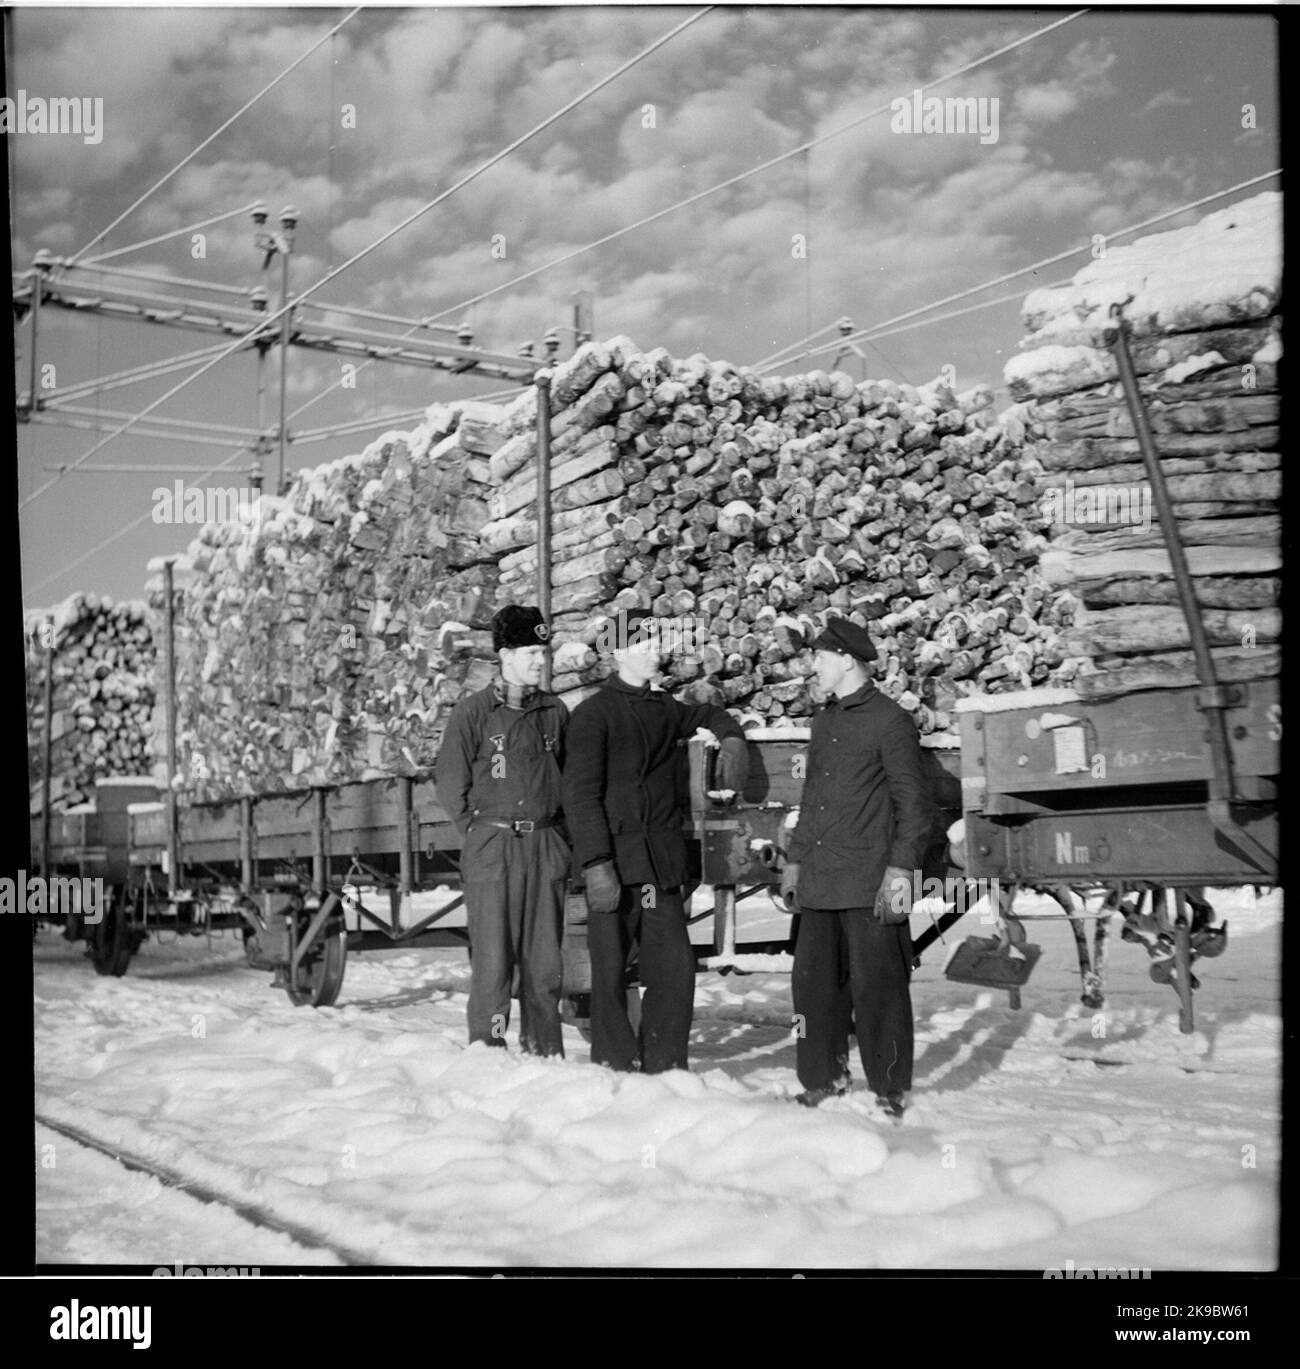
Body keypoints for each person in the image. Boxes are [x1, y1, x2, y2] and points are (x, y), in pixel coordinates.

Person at [562, 609, 748, 1073]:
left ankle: (664, 1065)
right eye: (644, 647)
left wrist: (731, 737)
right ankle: (613, 1065)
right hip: (616, 867)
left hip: (659, 868)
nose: (656, 654)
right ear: (619, 653)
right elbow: (580, 796)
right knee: (608, 975)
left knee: (675, 970)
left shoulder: (664, 708)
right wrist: (597, 863)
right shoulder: (591, 716)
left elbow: (705, 713)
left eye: (657, 645)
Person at [780, 616, 934, 1118]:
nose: (813, 667)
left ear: (847, 659)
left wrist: (902, 871)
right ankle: (822, 1078)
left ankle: (889, 1088)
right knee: (812, 987)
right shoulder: (824, 721)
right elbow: (814, 798)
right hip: (821, 877)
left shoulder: (890, 721)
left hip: (870, 879)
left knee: (880, 989)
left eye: (820, 658)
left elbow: (914, 805)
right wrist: (795, 861)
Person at [435, 605, 569, 1056]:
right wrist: (479, 834)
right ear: (505, 655)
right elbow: (452, 784)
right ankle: (488, 1052)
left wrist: (561, 840)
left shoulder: (554, 711)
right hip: (493, 846)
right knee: (493, 962)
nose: (539, 661)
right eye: (530, 651)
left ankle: (545, 1052)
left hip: (545, 845)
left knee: (545, 962)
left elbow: (570, 779)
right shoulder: (473, 713)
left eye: (542, 652)